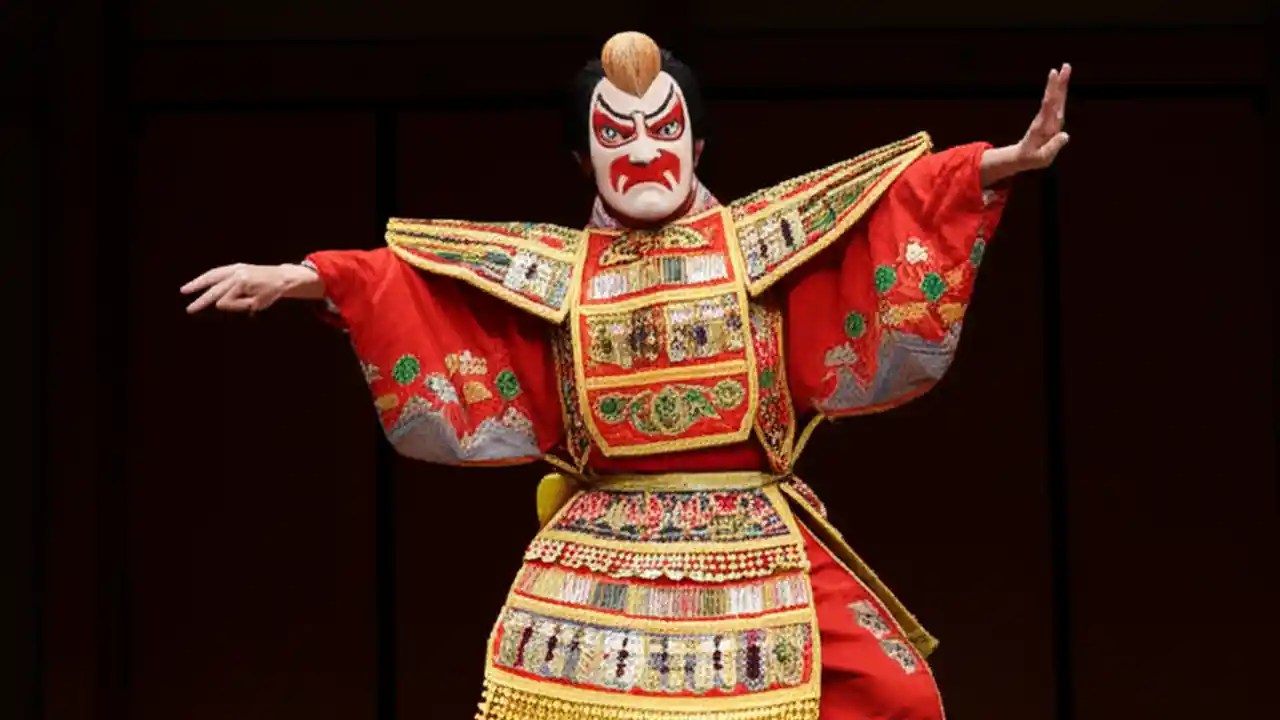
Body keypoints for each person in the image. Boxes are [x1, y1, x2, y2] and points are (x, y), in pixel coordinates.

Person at [182, 31, 1070, 720]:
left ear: (699, 139)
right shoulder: (552, 272)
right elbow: (414, 280)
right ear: (582, 158)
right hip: (600, 549)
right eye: (616, 133)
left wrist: (1000, 165)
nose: (643, 151)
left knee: (897, 695)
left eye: (663, 128)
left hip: (757, 534)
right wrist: (309, 279)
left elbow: (892, 199)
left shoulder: (763, 241)